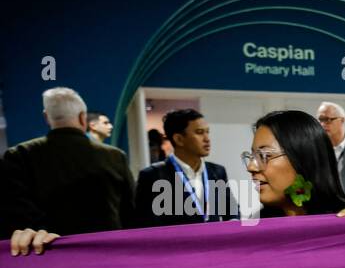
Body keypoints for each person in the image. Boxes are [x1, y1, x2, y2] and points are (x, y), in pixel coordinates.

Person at [4, 87, 134, 255]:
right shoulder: (115, 156)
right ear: (83, 118)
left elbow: (15, 216)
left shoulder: (19, 156)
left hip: (47, 255)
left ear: (46, 117)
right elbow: (130, 214)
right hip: (107, 252)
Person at [131, 108, 238, 227]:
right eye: (199, 132)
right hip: (176, 244)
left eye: (207, 132)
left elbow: (232, 210)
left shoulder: (217, 171)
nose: (207, 139)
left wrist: (233, 223)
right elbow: (145, 225)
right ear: (179, 139)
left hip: (214, 244)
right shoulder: (152, 175)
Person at [243, 110, 345, 218]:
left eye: (264, 155)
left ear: (304, 158)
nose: (251, 167)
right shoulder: (255, 230)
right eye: (252, 157)